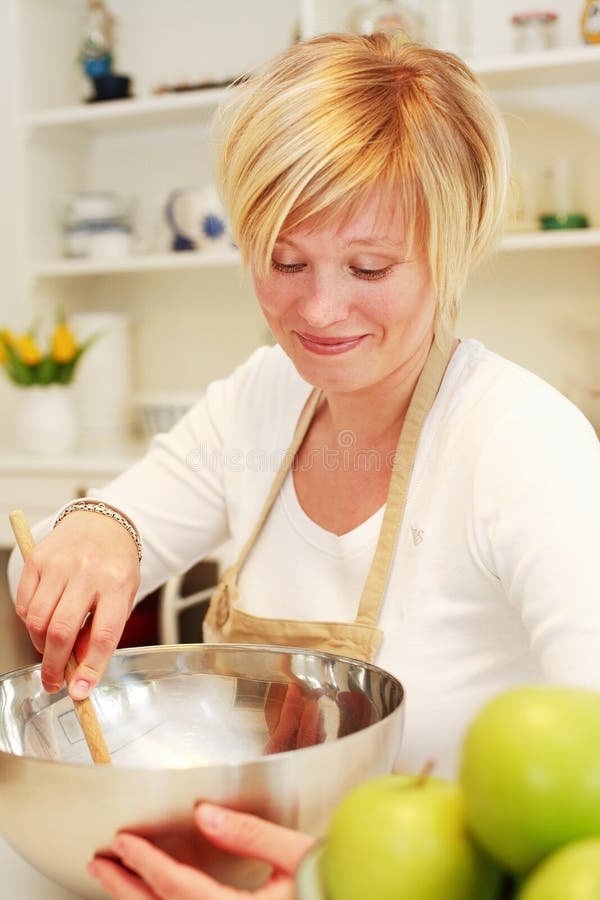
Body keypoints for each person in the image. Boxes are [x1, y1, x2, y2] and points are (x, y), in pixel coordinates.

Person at [8, 31, 600, 899]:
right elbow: (73, 541)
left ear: (456, 245)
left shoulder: (520, 443)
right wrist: (101, 528)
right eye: (284, 260)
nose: (319, 309)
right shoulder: (263, 396)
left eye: (369, 266)